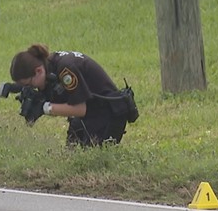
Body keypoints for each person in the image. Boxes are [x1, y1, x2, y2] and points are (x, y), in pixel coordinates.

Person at [8, 44, 138, 146]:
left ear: (38, 71)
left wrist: (45, 107)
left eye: (30, 84)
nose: (32, 87)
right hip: (90, 113)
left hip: (107, 114)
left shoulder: (66, 69)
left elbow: (80, 109)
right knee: (70, 156)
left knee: (89, 163)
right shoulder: (50, 64)